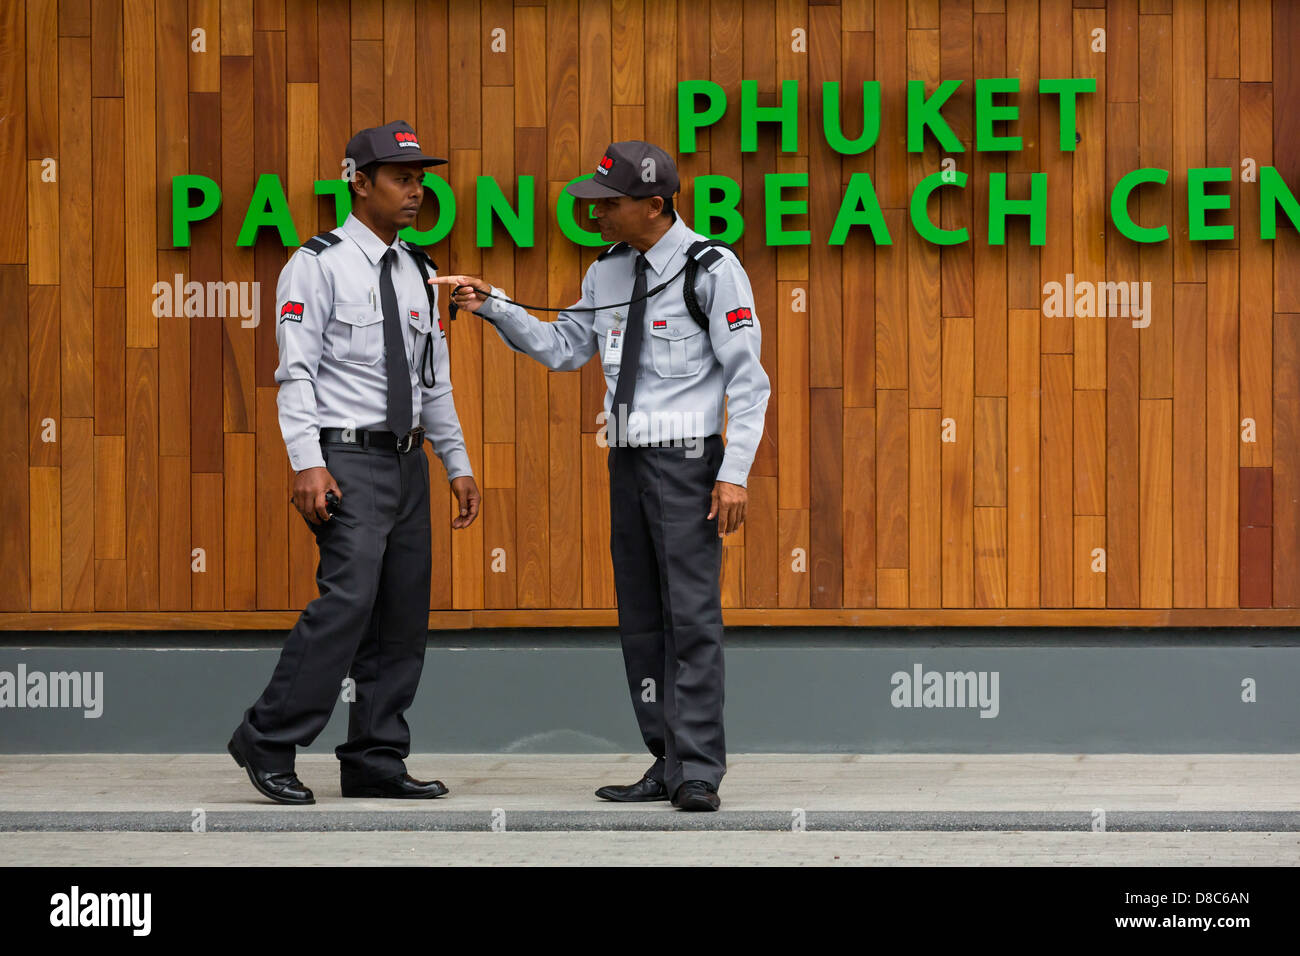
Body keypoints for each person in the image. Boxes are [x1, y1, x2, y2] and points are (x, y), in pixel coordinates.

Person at [433, 141, 770, 811]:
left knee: (691, 617)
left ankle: (698, 769)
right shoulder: (607, 273)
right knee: (643, 620)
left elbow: (749, 380)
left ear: (654, 204)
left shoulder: (712, 269)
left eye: (609, 204)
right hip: (627, 460)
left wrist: (734, 475)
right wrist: (492, 304)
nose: (595, 213)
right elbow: (564, 350)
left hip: (687, 465)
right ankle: (665, 760)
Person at [227, 120, 480, 805]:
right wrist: (308, 463)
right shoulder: (316, 263)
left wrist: (454, 461)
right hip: (346, 456)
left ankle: (374, 756)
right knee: (348, 600)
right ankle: (269, 736)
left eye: (421, 178)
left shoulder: (422, 270)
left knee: (402, 613)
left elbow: (433, 380)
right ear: (358, 182)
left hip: (407, 463)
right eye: (401, 178)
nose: (416, 190)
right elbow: (296, 374)